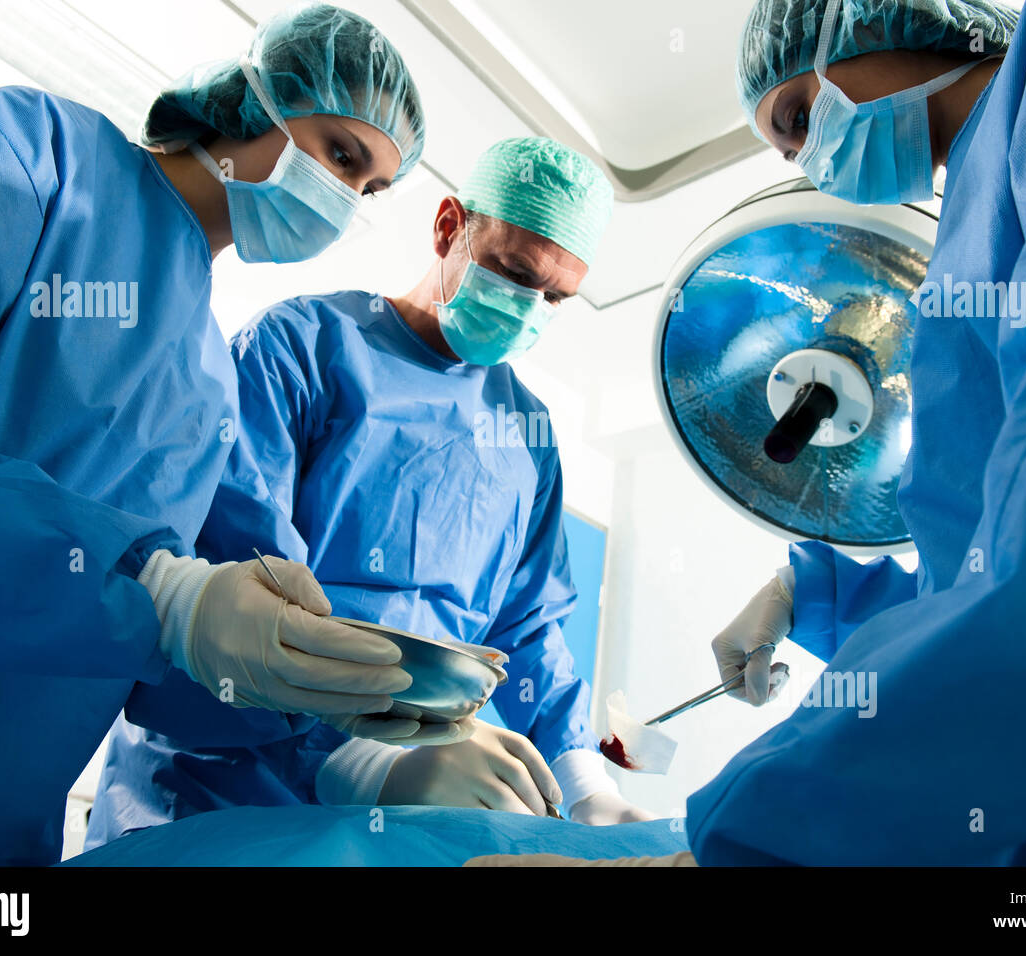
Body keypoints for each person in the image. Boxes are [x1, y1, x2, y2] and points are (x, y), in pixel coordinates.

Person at [473, 0, 1026, 867]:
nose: (818, 161)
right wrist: (818, 595)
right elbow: (983, 576)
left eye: (804, 118)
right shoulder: (985, 217)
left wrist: (746, 849)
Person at [0, 2, 450, 865]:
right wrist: (159, 592)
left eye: (369, 189)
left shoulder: (208, 383)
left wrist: (329, 707)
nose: (344, 199)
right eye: (340, 154)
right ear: (257, 97)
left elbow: (181, 666)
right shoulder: (27, 159)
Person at [87, 137, 654, 846]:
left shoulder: (526, 433)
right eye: (515, 273)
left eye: (556, 297)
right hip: (216, 794)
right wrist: (353, 754)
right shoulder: (304, 347)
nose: (529, 308)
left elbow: (532, 624)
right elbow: (243, 580)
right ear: (450, 226)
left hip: (401, 814)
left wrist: (585, 783)